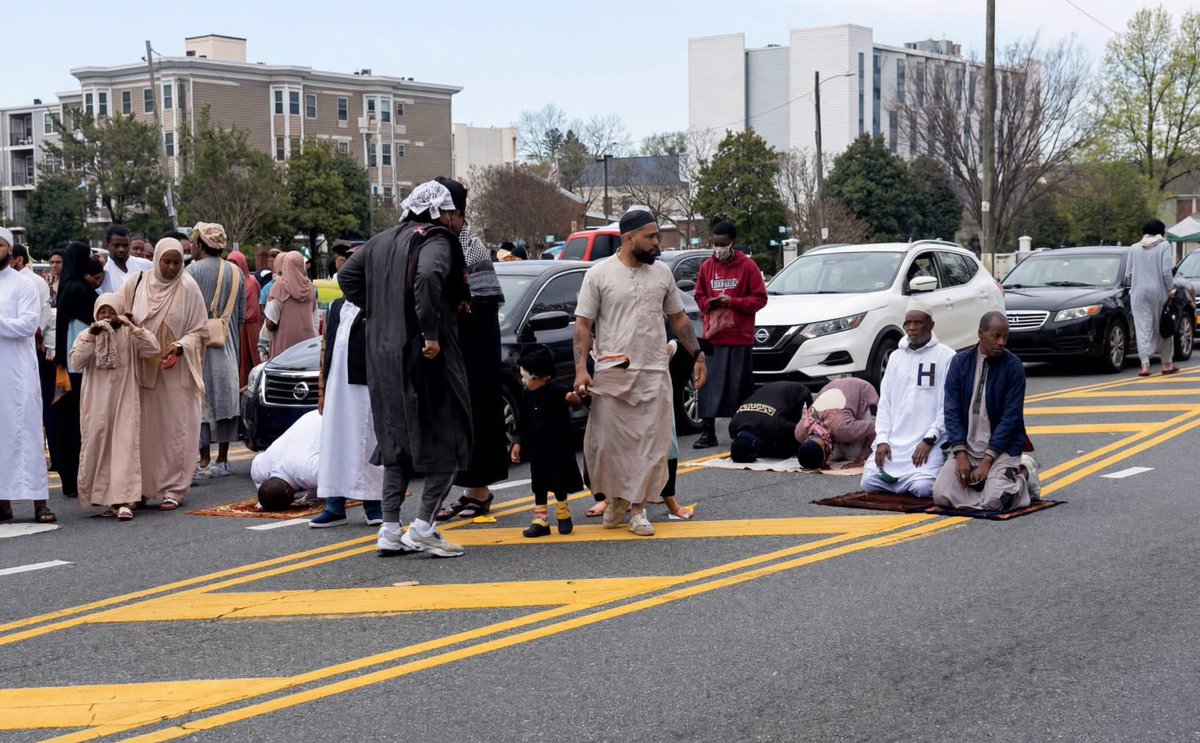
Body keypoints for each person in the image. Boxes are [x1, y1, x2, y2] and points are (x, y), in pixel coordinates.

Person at [338, 178, 473, 558]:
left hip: (382, 358)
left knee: (395, 443)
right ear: (443, 212)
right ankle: (425, 526)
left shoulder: (381, 240)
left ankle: (389, 528)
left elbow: (347, 276)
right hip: (424, 357)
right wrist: (429, 331)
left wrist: (380, 309)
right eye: (459, 216)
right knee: (450, 437)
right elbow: (429, 275)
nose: (461, 224)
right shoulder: (436, 239)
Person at [573, 207, 706, 537]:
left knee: (650, 445)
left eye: (658, 236)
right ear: (628, 238)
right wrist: (580, 370)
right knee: (611, 447)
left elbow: (677, 318)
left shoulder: (662, 273)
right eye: (651, 237)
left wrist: (699, 355)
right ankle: (618, 497)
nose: (657, 242)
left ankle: (638, 510)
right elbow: (583, 325)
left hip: (654, 371)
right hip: (613, 374)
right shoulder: (599, 274)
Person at [118, 238, 209, 511]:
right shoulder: (136, 283)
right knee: (142, 431)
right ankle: (141, 488)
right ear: (156, 259)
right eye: (166, 262)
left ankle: (174, 488)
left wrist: (182, 346)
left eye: (177, 262)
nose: (171, 268)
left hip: (175, 372)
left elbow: (201, 330)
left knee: (175, 430)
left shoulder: (189, 288)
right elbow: (119, 317)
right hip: (143, 369)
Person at [438, 215, 509, 521]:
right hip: (454, 346)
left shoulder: (473, 248)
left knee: (476, 418)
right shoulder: (442, 245)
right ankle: (472, 492)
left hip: (476, 348)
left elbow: (483, 301)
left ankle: (478, 492)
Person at [933, 311, 1040, 512]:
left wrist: (988, 461)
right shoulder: (960, 363)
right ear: (981, 334)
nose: (1001, 342)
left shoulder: (1013, 366)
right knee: (940, 495)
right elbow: (951, 411)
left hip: (1001, 450)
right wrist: (960, 454)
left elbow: (1011, 418)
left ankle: (1024, 474)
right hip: (968, 447)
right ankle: (991, 488)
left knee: (995, 502)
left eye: (1005, 337)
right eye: (996, 337)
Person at [69, 293, 160, 520]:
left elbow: (153, 349)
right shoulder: (86, 334)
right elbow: (76, 361)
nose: (107, 317)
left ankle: (125, 500)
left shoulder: (128, 335)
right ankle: (106, 498)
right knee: (99, 447)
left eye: (111, 312)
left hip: (125, 399)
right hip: (96, 403)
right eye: (103, 312)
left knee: (125, 447)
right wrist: (92, 335)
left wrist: (132, 327)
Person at [861, 300, 957, 498]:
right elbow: (885, 402)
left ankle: (906, 483)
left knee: (923, 489)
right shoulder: (896, 357)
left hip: (928, 442)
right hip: (895, 443)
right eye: (908, 323)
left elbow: (948, 405)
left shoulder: (946, 356)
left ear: (931, 325)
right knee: (868, 482)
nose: (911, 328)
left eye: (918, 323)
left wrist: (930, 439)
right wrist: (882, 440)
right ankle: (903, 484)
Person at [692, 220, 767, 449]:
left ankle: (743, 429)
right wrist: (710, 303)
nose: (718, 248)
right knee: (708, 385)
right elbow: (699, 295)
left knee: (739, 386)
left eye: (722, 244)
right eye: (715, 244)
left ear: (732, 242)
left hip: (739, 337)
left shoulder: (748, 267)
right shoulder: (707, 267)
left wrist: (733, 302)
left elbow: (760, 299)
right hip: (714, 336)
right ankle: (708, 432)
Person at [311, 294, 384, 527]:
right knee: (336, 442)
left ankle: (373, 505)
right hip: (336, 388)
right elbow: (326, 349)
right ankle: (335, 505)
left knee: (367, 442)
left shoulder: (377, 302)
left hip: (365, 386)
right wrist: (322, 391)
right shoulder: (336, 306)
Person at [0, 227, 53, 523]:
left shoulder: (23, 284)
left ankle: (39, 502)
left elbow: (27, 325)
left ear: (10, 250)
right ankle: (3, 504)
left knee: (28, 433)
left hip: (18, 374)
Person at [186, 223, 246, 480]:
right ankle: (223, 458)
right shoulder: (237, 272)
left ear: (199, 245)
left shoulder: (192, 271)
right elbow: (241, 316)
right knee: (225, 399)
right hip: (228, 344)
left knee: (199, 399)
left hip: (199, 346)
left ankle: (203, 459)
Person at [512, 345, 583, 538]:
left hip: (557, 446)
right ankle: (540, 519)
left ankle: (563, 513)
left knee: (559, 480)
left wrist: (573, 398)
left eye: (526, 377)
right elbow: (522, 421)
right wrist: (517, 442)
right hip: (537, 447)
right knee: (539, 482)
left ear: (542, 377)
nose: (523, 381)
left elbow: (571, 398)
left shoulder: (556, 391)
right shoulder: (526, 396)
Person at [52, 242, 99, 498]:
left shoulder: (65, 287)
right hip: (81, 369)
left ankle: (70, 480)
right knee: (81, 424)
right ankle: (81, 479)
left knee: (67, 424)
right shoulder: (80, 290)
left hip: (65, 367)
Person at [794, 378, 879, 470]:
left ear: (826, 451)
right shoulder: (799, 432)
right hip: (832, 388)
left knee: (853, 455)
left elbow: (875, 427)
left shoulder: (843, 428)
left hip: (861, 389)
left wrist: (861, 458)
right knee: (836, 454)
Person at [1128, 219, 1178, 376]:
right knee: (1164, 326)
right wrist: (1170, 289)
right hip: (1158, 291)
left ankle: (1145, 365)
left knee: (1143, 328)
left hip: (1138, 293)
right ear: (1160, 232)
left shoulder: (1134, 248)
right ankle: (1166, 364)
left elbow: (1129, 273)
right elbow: (1166, 272)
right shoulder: (1164, 246)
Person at [252, 409, 322, 511]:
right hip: (310, 418)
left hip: (330, 420)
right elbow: (256, 461)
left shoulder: (307, 473)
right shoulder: (260, 468)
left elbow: (334, 474)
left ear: (287, 492)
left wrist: (321, 497)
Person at [727, 381, 814, 463]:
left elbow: (800, 430)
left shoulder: (774, 426)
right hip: (769, 390)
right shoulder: (733, 426)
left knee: (794, 442)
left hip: (798, 392)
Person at [260, 251, 317, 361]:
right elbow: (314, 317)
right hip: (307, 344)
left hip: (285, 346)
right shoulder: (309, 287)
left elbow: (271, 322)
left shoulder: (279, 286)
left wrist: (263, 343)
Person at [227, 251, 263, 389]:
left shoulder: (251, 282)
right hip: (237, 326)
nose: (232, 266)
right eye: (230, 263)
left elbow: (254, 309)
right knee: (239, 360)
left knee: (253, 358)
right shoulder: (230, 282)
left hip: (250, 326)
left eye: (235, 263)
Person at [99, 225, 153, 294]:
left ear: (129, 245)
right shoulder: (104, 273)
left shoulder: (147, 265)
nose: (121, 249)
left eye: (125, 245)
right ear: (107, 245)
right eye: (116, 245)